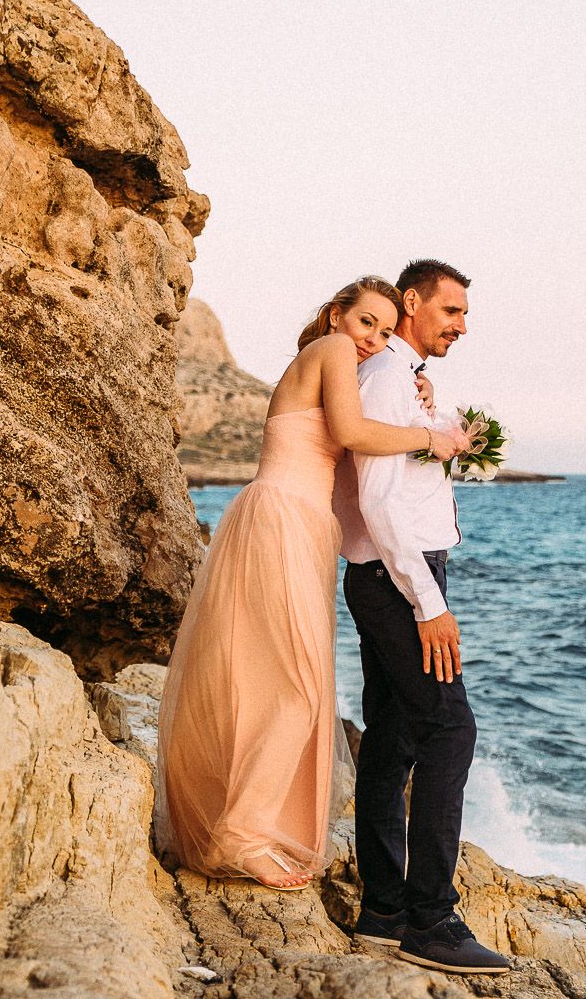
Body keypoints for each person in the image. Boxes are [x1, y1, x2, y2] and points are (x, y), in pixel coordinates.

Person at [154, 276, 465, 890]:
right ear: (334, 316)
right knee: (295, 686)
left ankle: (245, 825)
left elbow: (360, 451)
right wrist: (434, 438)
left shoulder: (343, 364)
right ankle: (243, 836)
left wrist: (419, 395)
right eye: (364, 323)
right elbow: (353, 436)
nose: (374, 339)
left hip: (302, 526)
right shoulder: (329, 352)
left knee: (277, 678)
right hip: (283, 520)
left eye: (382, 328)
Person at [333, 260, 511, 974]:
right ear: (412, 301)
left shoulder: (402, 377)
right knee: (450, 728)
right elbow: (378, 504)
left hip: (396, 574)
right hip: (396, 578)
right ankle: (431, 920)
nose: (462, 326)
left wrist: (442, 425)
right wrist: (430, 605)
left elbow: (406, 474)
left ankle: (383, 908)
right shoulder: (382, 378)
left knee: (397, 734)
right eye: (452, 310)